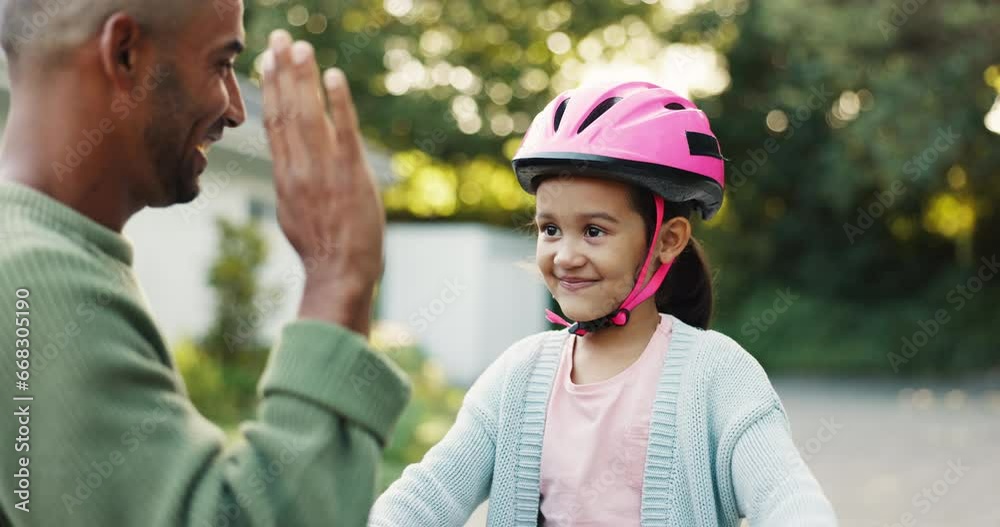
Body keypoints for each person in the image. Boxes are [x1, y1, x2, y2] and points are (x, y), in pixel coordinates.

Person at [0, 1, 409, 525]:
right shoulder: (36, 280)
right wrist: (338, 283)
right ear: (124, 54)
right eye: (221, 64)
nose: (236, 110)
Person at [369, 81, 838, 526]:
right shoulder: (519, 377)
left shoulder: (717, 376)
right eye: (550, 229)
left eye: (594, 230)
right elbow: (427, 496)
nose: (566, 255)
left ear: (667, 240)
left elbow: (787, 498)